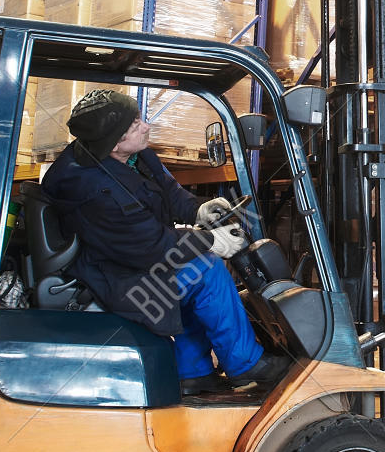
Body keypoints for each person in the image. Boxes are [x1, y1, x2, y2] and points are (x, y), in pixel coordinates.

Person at [40, 89, 285, 396]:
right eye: (134, 125)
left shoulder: (128, 154)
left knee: (191, 270)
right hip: (116, 277)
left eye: (139, 118)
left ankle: (193, 373)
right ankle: (246, 365)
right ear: (114, 142)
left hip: (129, 260)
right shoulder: (94, 189)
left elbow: (166, 190)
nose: (145, 126)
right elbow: (153, 247)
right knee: (205, 269)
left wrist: (197, 209)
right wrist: (211, 240)